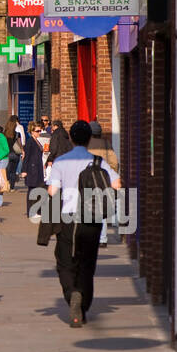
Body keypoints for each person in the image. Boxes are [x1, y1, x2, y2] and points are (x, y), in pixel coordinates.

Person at [48, 119, 121, 327]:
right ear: (89, 139)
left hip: (68, 217)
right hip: (92, 218)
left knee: (65, 262)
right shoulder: (98, 162)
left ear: (70, 138)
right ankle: (82, 301)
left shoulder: (61, 162)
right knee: (87, 264)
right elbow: (116, 184)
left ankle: (72, 295)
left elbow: (52, 191)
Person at [88, 119, 120, 246]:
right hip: (103, 180)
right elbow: (114, 162)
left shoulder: (86, 144)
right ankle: (102, 239)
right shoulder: (106, 144)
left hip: (89, 180)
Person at [21, 121, 47, 222]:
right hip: (32, 170)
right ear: (32, 131)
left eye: (40, 130)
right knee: (32, 191)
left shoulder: (36, 141)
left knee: (38, 190)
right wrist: (24, 170)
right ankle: (32, 212)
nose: (39, 132)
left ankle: (37, 211)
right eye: (37, 131)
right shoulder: (30, 142)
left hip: (37, 169)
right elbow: (26, 157)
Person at [3, 114, 24, 190]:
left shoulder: (4, 134)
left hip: (7, 154)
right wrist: (22, 150)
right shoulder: (17, 134)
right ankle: (12, 187)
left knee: (7, 170)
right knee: (13, 171)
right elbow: (20, 143)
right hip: (15, 154)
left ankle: (7, 185)